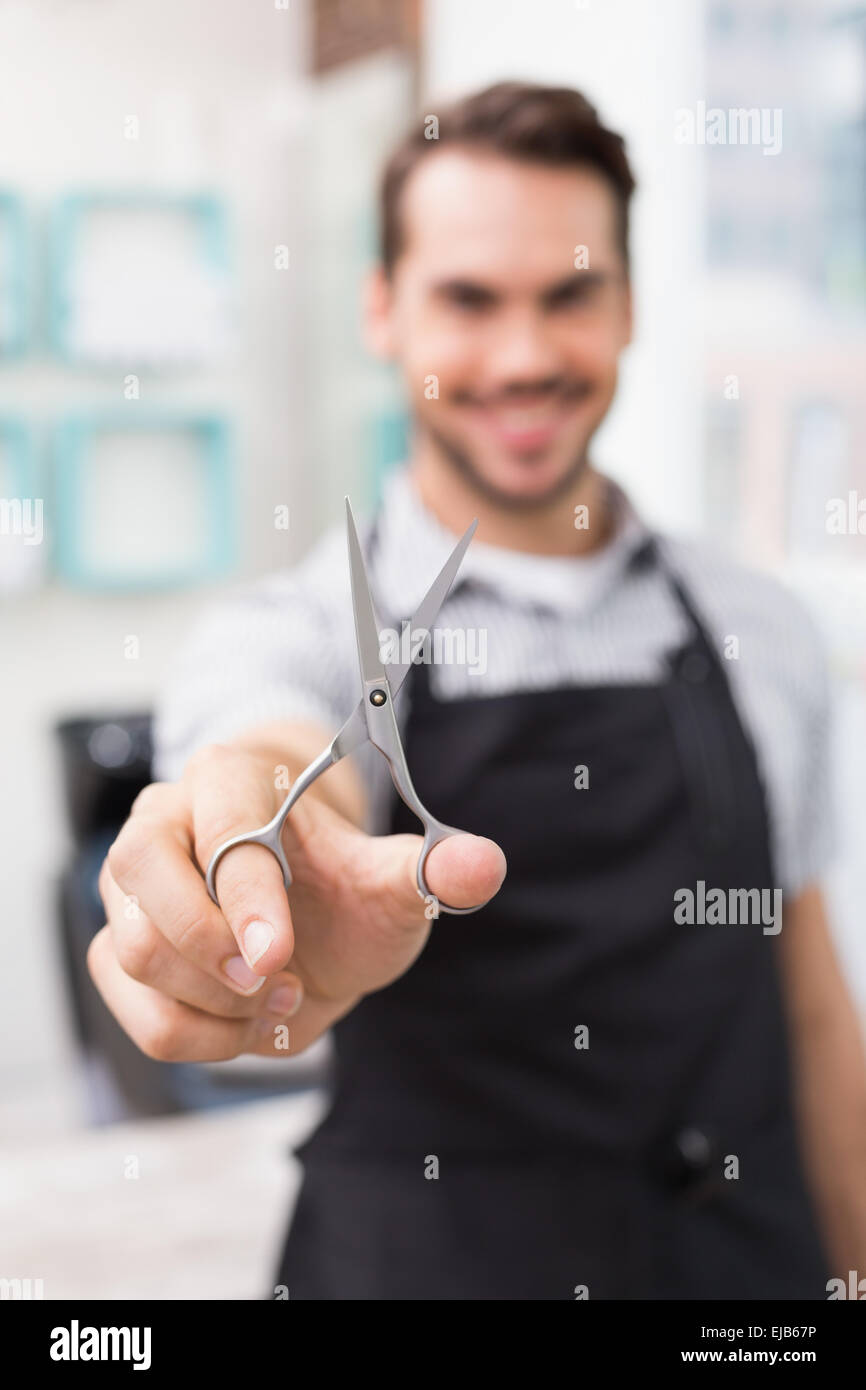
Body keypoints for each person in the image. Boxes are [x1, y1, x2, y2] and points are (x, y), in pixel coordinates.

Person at [88, 82, 866, 1300]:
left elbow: (810, 1006)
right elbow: (265, 749)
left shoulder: (758, 628)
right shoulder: (286, 632)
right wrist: (259, 843)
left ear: (627, 305)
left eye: (568, 295)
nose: (522, 356)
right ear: (382, 309)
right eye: (468, 298)